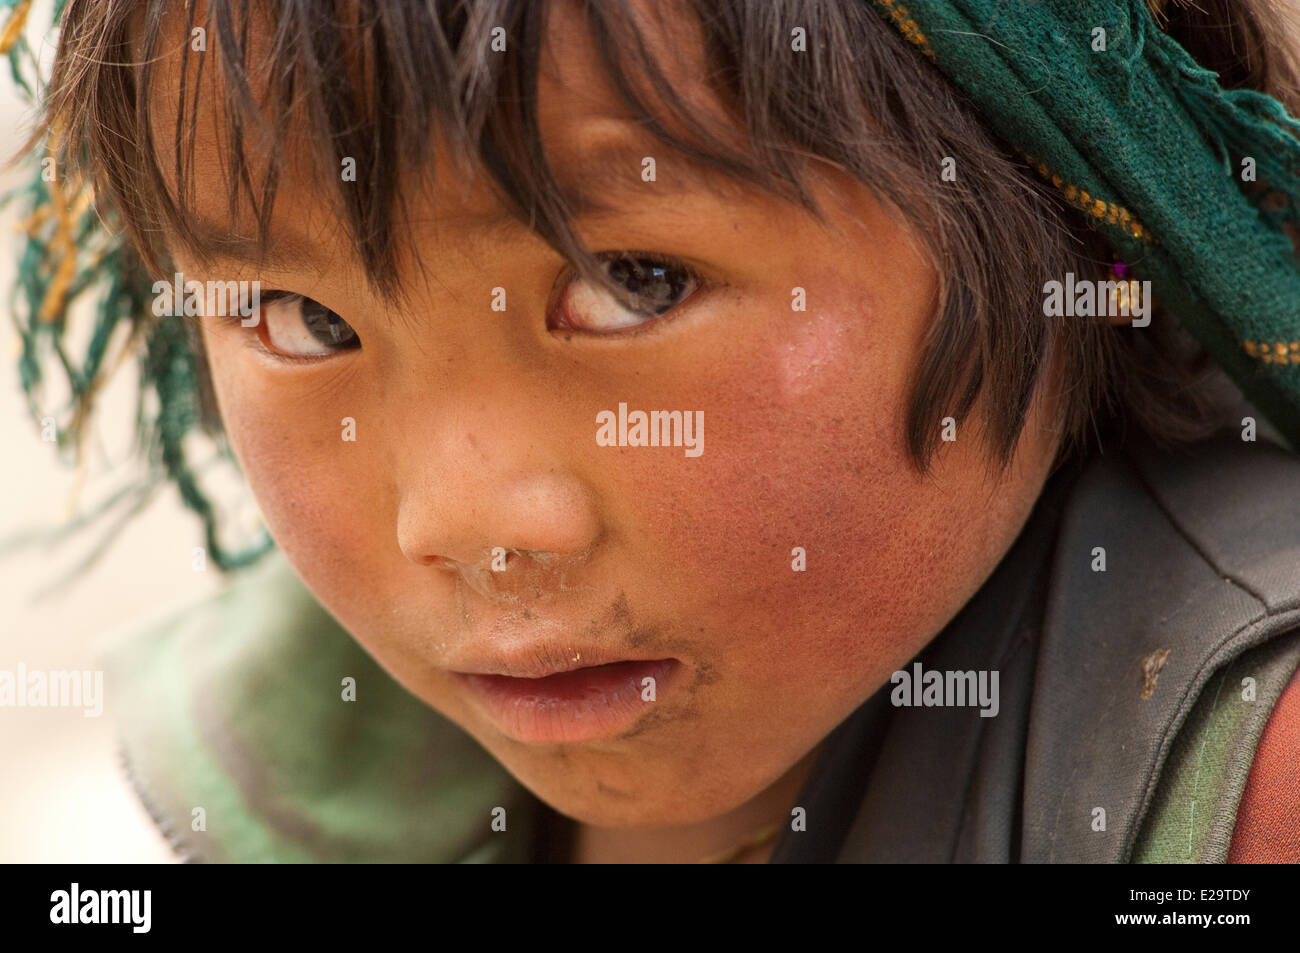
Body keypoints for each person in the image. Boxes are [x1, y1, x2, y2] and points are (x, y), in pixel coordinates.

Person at [8, 0, 1300, 862]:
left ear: (1076, 230)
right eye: (298, 317)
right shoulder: (246, 760)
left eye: (637, 282)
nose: (468, 525)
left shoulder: (1247, 780)